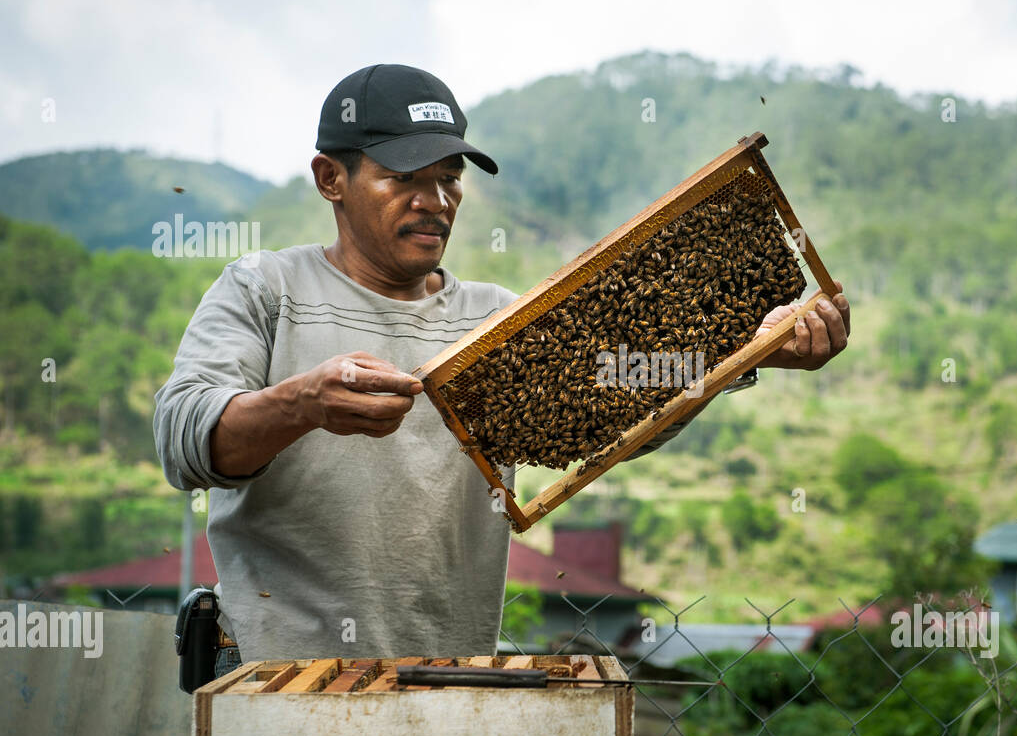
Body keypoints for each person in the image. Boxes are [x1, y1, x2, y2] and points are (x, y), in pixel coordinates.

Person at [154, 63, 850, 673]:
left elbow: (619, 403)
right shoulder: (266, 290)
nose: (435, 201)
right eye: (404, 179)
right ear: (330, 177)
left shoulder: (495, 320)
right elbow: (184, 437)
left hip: (453, 687)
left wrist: (742, 356)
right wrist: (300, 403)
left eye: (448, 180)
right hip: (277, 688)